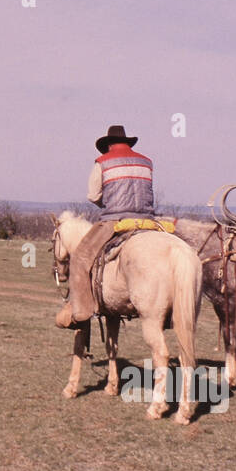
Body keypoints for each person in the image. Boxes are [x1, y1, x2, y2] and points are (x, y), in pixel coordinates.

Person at [56, 125, 156, 328]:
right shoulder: (146, 162)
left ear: (108, 145)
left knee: (80, 259)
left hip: (115, 220)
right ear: (128, 143)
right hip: (148, 221)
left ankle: (81, 312)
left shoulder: (102, 162)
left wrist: (108, 202)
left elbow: (93, 195)